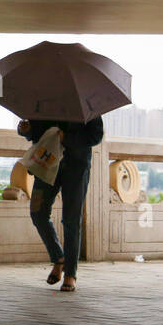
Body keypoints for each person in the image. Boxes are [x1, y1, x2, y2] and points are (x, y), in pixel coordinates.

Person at [17, 115, 104, 292]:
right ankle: (58, 258)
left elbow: (95, 136)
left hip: (77, 167)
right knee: (38, 212)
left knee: (71, 220)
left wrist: (67, 138)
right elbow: (37, 133)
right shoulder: (46, 100)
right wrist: (26, 130)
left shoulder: (84, 103)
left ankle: (70, 274)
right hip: (46, 162)